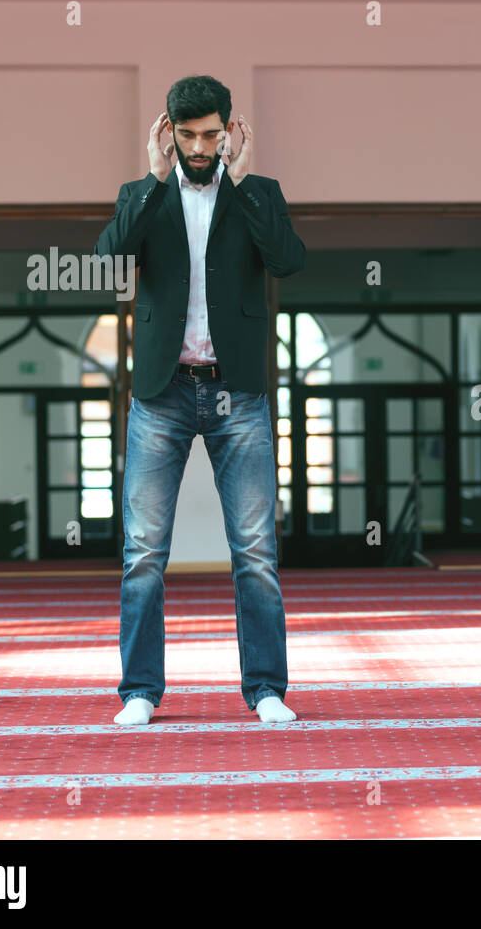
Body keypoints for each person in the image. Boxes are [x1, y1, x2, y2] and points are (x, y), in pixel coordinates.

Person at [94, 75, 306, 725]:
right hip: (161, 392)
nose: (199, 146)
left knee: (254, 550)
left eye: (210, 134)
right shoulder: (145, 194)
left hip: (235, 388)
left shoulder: (255, 194)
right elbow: (108, 260)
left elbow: (287, 259)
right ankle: (139, 692)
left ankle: (266, 689)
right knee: (144, 553)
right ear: (170, 132)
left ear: (229, 130)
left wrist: (241, 183)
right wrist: (155, 178)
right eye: (187, 135)